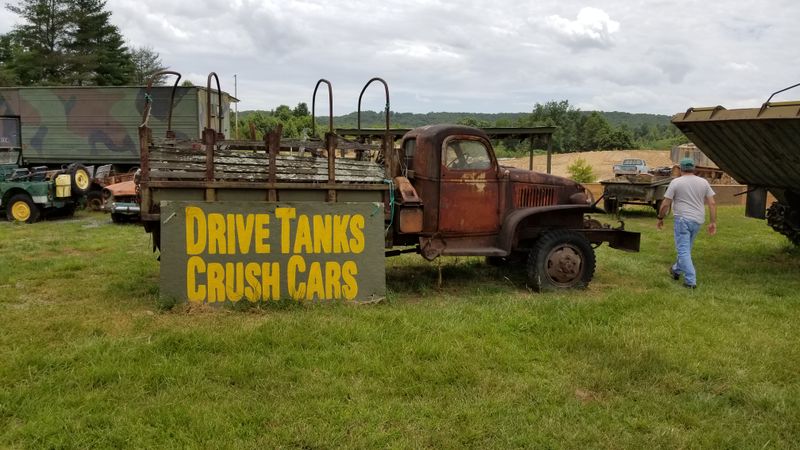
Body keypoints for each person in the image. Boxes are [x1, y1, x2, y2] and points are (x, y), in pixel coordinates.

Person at [656, 158, 717, 289]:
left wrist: (660, 217)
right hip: (698, 220)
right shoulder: (703, 182)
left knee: (683, 250)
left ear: (681, 169)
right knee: (686, 249)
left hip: (682, 219)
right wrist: (713, 222)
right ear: (693, 168)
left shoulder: (676, 182)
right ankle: (676, 270)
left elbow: (666, 203)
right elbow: (712, 203)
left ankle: (690, 281)